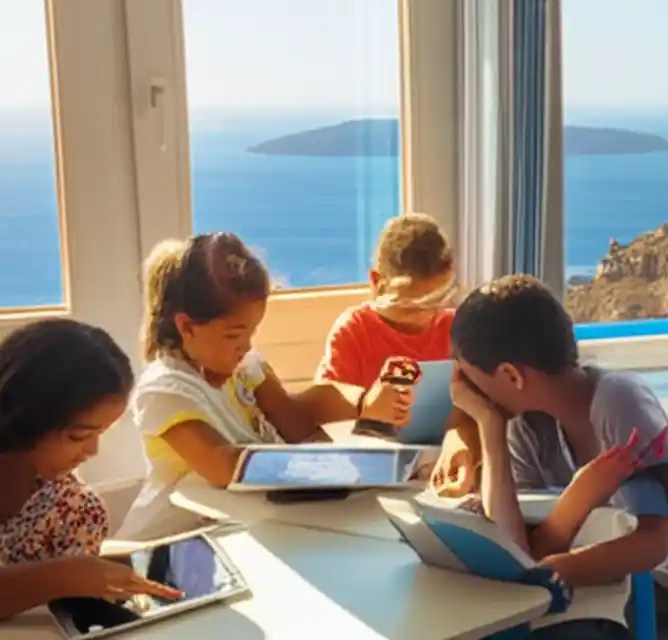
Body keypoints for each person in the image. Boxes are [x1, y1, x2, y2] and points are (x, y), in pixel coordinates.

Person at [116, 233, 413, 540]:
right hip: (170, 546)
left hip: (244, 532)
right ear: (187, 327)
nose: (246, 346)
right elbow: (224, 465)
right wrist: (331, 467)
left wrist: (364, 401)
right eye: (234, 336)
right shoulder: (165, 390)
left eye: (252, 332)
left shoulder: (246, 366)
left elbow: (295, 417)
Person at [448, 275, 668, 639]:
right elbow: (521, 551)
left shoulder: (618, 402)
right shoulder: (527, 425)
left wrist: (557, 568)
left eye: (471, 380)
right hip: (563, 591)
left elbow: (654, 541)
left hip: (642, 598)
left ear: (511, 375)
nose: (468, 393)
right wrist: (489, 427)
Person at [0, 319, 181, 619]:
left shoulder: (64, 502)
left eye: (101, 434)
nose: (92, 451)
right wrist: (65, 576)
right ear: (27, 416)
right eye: (78, 436)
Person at [312, 213, 478, 497]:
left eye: (437, 300)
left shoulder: (456, 328)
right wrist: (365, 404)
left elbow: (477, 410)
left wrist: (463, 441)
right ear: (377, 282)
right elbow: (319, 410)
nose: (425, 314)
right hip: (371, 481)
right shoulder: (354, 330)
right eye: (410, 303)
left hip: (440, 475)